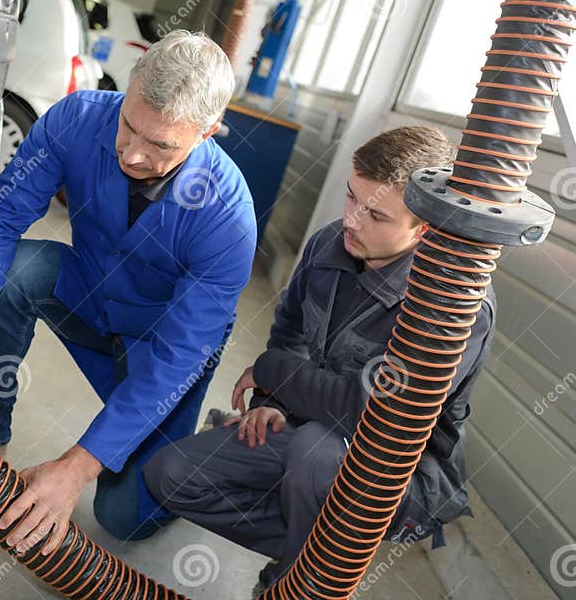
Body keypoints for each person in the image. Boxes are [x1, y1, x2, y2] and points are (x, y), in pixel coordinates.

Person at [0, 30, 257, 557]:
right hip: (88, 291)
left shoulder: (228, 219)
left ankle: (213, 445)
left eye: (161, 146)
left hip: (161, 344)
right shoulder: (76, 120)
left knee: (122, 518)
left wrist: (74, 469)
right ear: (129, 86)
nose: (132, 153)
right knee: (11, 275)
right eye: (130, 126)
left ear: (209, 132)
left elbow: (177, 359)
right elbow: (1, 216)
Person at [143, 126, 496, 588]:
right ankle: (314, 550)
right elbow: (290, 327)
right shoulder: (331, 243)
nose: (352, 220)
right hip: (309, 423)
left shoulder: (454, 309)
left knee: (315, 452)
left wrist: (272, 372)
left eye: (376, 215)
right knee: (169, 474)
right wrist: (272, 400)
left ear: (424, 228)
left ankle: (296, 582)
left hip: (396, 473)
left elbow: (378, 415)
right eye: (352, 198)